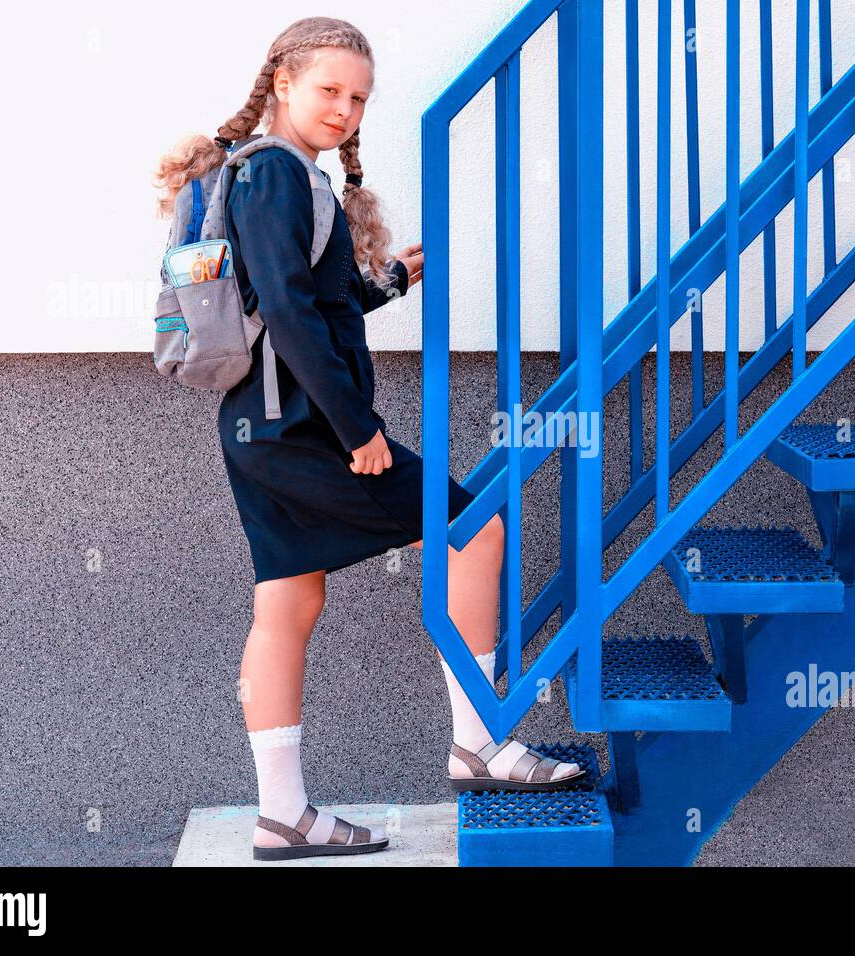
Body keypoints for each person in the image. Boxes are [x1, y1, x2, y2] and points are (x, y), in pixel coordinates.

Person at [151, 16, 582, 861]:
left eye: (358, 98)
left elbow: (309, 300)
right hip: (304, 430)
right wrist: (361, 431)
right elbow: (286, 311)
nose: (345, 110)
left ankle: (284, 814)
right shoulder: (275, 174)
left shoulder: (272, 175)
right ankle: (480, 744)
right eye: (329, 91)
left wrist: (384, 284)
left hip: (255, 425)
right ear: (282, 82)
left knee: (288, 601)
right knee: (474, 531)